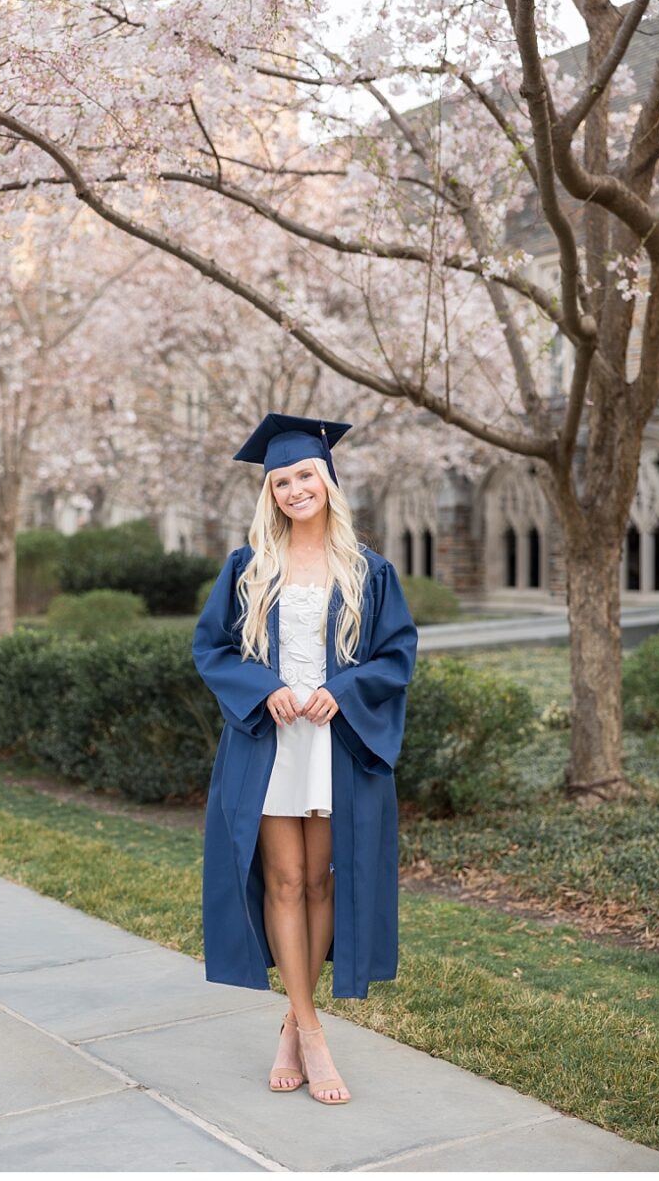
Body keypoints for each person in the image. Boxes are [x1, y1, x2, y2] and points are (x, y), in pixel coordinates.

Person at [193, 415, 417, 1107]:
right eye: (281, 480)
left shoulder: (369, 572)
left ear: (328, 481)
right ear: (271, 493)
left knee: (323, 882)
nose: (295, 489)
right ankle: (315, 1033)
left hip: (334, 745)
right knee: (283, 883)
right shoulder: (249, 568)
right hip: (268, 743)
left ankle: (293, 1022)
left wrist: (341, 693)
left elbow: (397, 654)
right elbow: (213, 650)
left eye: (305, 477)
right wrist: (267, 690)